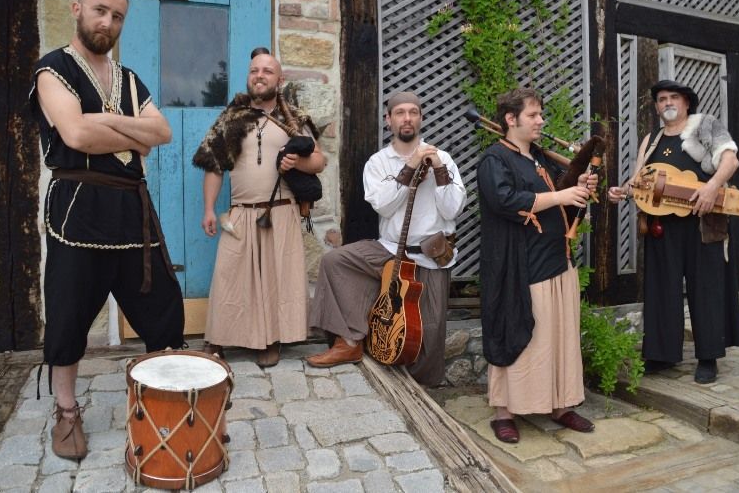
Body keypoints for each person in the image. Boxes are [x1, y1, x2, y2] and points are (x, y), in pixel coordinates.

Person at [30, 0, 185, 459]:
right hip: (78, 206)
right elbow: (75, 135)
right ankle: (67, 412)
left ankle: (166, 401)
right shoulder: (52, 70)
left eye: (117, 16)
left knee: (161, 305)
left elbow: (161, 132)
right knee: (69, 312)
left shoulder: (130, 78)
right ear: (77, 9)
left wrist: (105, 122)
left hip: (130, 209)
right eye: (100, 11)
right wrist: (127, 131)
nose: (108, 23)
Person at [306, 92, 466, 386]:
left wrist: (439, 170)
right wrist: (410, 167)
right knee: (336, 261)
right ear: (388, 120)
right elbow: (384, 205)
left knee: (428, 334)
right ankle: (348, 342)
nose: (407, 118)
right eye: (400, 113)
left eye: (413, 112)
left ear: (420, 118)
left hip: (430, 256)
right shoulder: (378, 162)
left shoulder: (443, 158)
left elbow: (453, 208)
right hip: (390, 249)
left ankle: (421, 389)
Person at [478, 87, 598, 443]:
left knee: (557, 337)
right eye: (533, 115)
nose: (541, 120)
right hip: (521, 265)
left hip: (557, 262)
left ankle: (559, 405)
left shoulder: (540, 159)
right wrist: (561, 195)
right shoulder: (494, 159)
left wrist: (577, 189)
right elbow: (503, 200)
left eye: (540, 114)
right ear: (510, 119)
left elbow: (561, 207)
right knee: (519, 332)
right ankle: (504, 411)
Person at [192, 48, 326, 368]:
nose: (260, 76)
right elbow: (214, 167)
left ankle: (271, 340)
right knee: (229, 277)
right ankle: (218, 339)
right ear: (249, 77)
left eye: (267, 71)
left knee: (277, 280)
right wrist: (209, 209)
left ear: (279, 80)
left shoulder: (294, 118)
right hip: (241, 212)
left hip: (281, 211)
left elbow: (319, 160)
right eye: (255, 71)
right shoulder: (231, 117)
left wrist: (299, 161)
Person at [608, 79, 739, 384]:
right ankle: (661, 354)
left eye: (673, 98)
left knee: (706, 288)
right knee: (661, 287)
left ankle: (708, 358)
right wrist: (622, 191)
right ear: (657, 106)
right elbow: (638, 180)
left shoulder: (705, 125)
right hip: (661, 226)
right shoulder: (651, 140)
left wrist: (711, 188)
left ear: (685, 103)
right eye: (661, 99)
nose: (667, 103)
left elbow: (730, 160)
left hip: (701, 224)